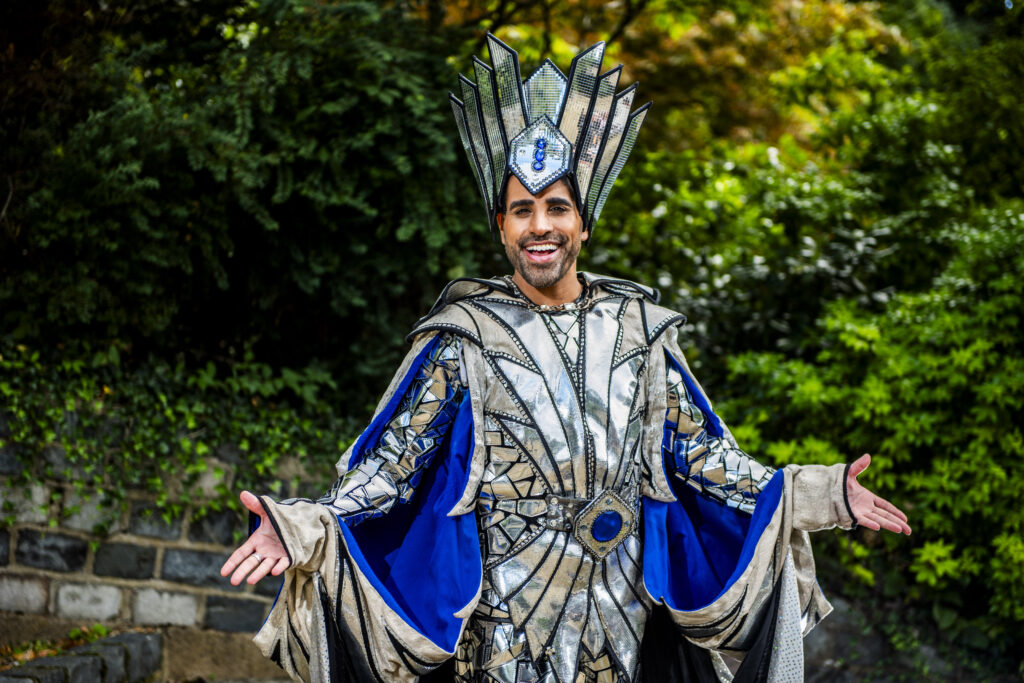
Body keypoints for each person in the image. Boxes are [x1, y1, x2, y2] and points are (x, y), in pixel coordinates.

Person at [220, 35, 911, 683]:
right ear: (502, 226)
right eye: (522, 210)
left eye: (556, 207)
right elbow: (391, 468)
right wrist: (301, 525)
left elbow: (708, 459)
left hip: (623, 631)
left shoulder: (641, 334)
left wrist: (823, 494)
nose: (540, 225)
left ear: (583, 220)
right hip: (502, 638)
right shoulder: (465, 337)